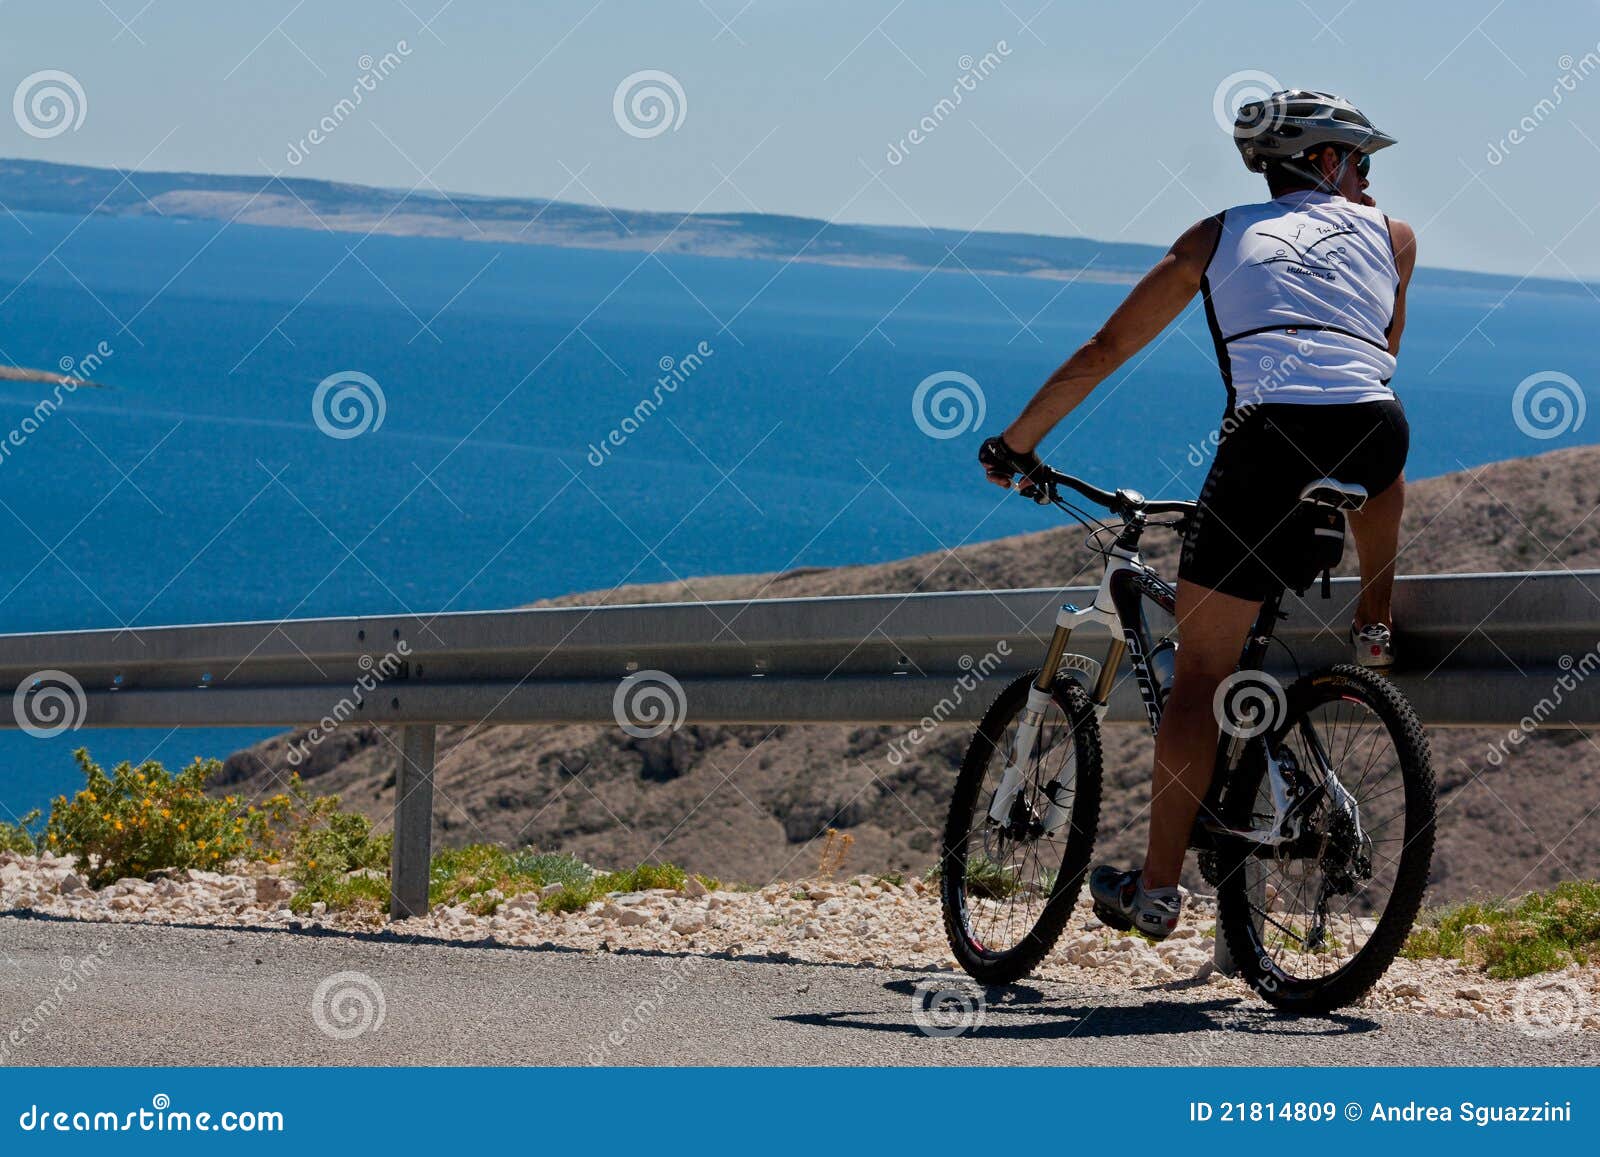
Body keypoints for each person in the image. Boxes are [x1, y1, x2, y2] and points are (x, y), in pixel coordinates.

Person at [978, 90, 1416, 940]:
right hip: (1372, 434)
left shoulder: (1214, 236)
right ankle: (1374, 623)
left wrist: (1015, 444)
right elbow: (1374, 355)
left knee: (1198, 682)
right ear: (1326, 161)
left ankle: (1156, 890)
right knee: (1377, 454)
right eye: (1361, 163)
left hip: (1268, 442)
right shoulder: (1396, 236)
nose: (1368, 181)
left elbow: (1106, 349)